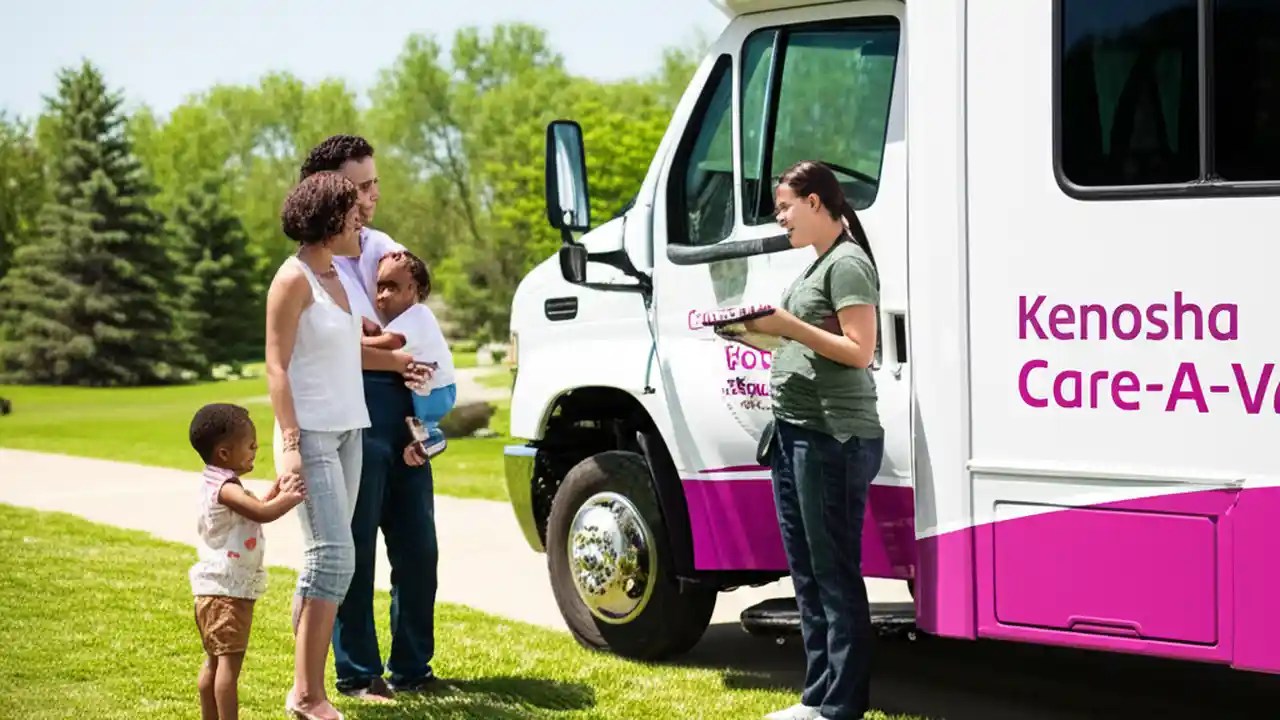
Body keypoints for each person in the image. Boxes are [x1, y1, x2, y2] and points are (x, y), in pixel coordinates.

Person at [298, 135, 442, 701]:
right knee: (351, 546)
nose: (372, 196)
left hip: (401, 409)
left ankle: (413, 668)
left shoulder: (384, 248)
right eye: (361, 187)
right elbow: (342, 347)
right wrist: (392, 353)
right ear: (328, 191)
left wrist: (429, 414)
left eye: (374, 182)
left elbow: (416, 324)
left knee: (418, 548)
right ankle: (358, 673)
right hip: (347, 407)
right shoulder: (313, 267)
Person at [743, 160, 884, 720]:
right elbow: (803, 347)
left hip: (832, 438)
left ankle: (841, 706)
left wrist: (785, 325)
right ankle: (818, 697)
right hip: (796, 434)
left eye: (786, 207)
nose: (780, 218)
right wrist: (751, 336)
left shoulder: (847, 264)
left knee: (833, 573)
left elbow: (859, 350)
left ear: (818, 203)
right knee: (806, 570)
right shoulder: (815, 265)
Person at [266, 170, 371, 720]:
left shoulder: (341, 276)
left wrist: (399, 353)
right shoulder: (294, 278)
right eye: (354, 210)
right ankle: (308, 696)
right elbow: (276, 365)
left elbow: (352, 346)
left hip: (350, 428)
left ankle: (305, 686)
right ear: (331, 219)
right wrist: (288, 444)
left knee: (328, 560)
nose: (362, 217)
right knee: (333, 558)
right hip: (310, 433)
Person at [189, 403, 306, 720]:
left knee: (214, 662)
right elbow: (260, 513)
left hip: (213, 589)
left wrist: (275, 491)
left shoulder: (215, 482)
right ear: (225, 453)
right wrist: (292, 498)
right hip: (227, 590)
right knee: (228, 665)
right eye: (251, 445)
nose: (256, 449)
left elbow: (254, 509)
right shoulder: (226, 488)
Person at [364, 249, 457, 461]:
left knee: (423, 422)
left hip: (437, 388)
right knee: (417, 427)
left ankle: (435, 438)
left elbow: (391, 342)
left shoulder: (418, 314)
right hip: (432, 388)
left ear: (412, 288)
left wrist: (355, 340)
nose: (383, 295)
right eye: (380, 287)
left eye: (392, 288)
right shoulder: (404, 320)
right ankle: (423, 444)